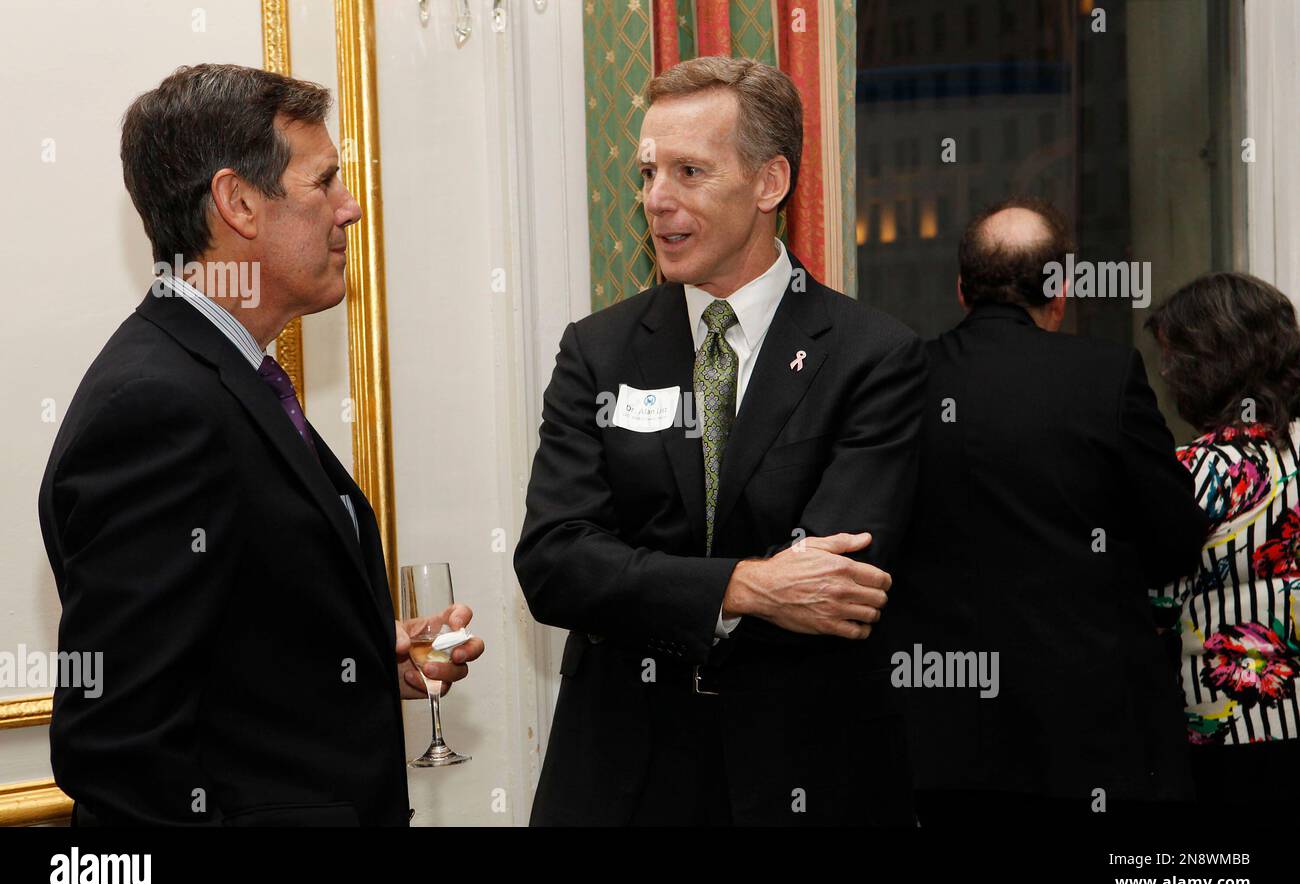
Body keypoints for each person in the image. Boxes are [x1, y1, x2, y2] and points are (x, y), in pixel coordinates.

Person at [37, 64, 483, 826]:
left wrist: (361, 653)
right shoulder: (156, 407)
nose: (351, 208)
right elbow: (121, 749)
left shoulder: (221, 377)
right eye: (325, 183)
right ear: (238, 203)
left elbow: (226, 637)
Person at [514, 57, 926, 826]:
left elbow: (838, 583)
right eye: (646, 173)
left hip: (801, 767)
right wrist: (744, 584)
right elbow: (555, 561)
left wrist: (645, 576)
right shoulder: (598, 351)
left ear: (769, 183)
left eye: (689, 171)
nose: (655, 201)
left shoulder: (873, 355)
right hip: (621, 773)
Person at [896, 198, 1208, 825]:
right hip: (1091, 731)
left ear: (962, 291)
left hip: (944, 737)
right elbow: (1176, 537)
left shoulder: (902, 380)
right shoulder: (1107, 375)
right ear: (1061, 291)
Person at [1146, 272, 1300, 811]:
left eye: (1172, 357)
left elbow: (1155, 607)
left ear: (1206, 364)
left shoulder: (1191, 473)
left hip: (1224, 737)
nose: (1165, 373)